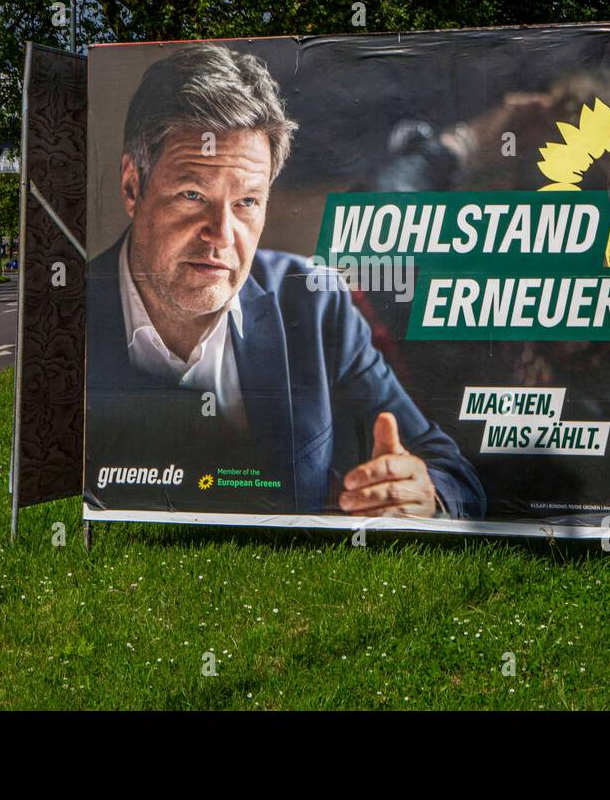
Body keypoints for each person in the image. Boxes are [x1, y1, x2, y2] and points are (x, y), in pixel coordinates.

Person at [85, 43, 485, 520]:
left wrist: (424, 493)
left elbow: (453, 474)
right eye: (193, 195)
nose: (221, 235)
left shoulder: (316, 304)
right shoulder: (73, 317)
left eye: (247, 203)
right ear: (133, 185)